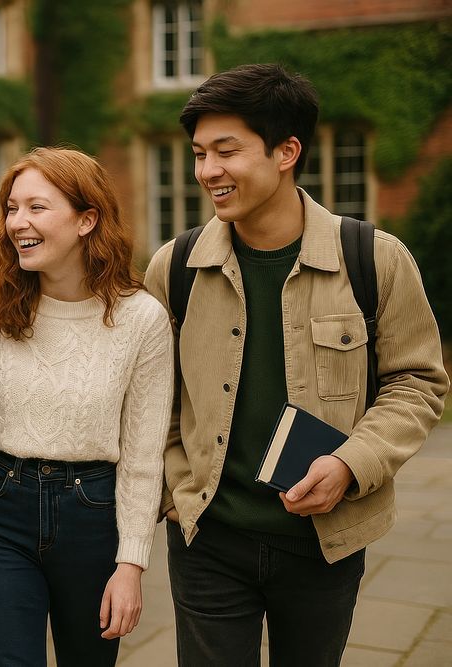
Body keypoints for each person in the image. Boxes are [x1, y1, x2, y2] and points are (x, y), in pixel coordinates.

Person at [144, 63, 450, 666]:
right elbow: (151, 398)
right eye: (200, 153)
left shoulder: (375, 261)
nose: (207, 171)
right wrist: (175, 492)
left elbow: (416, 383)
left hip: (327, 543)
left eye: (226, 151)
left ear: (287, 151)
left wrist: (350, 463)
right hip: (208, 537)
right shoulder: (174, 268)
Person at [0, 147, 174, 666]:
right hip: (0, 511)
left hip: (93, 517)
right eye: (11, 208)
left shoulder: (143, 320)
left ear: (87, 219)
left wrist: (131, 564)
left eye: (36, 208)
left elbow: (143, 456)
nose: (18, 222)